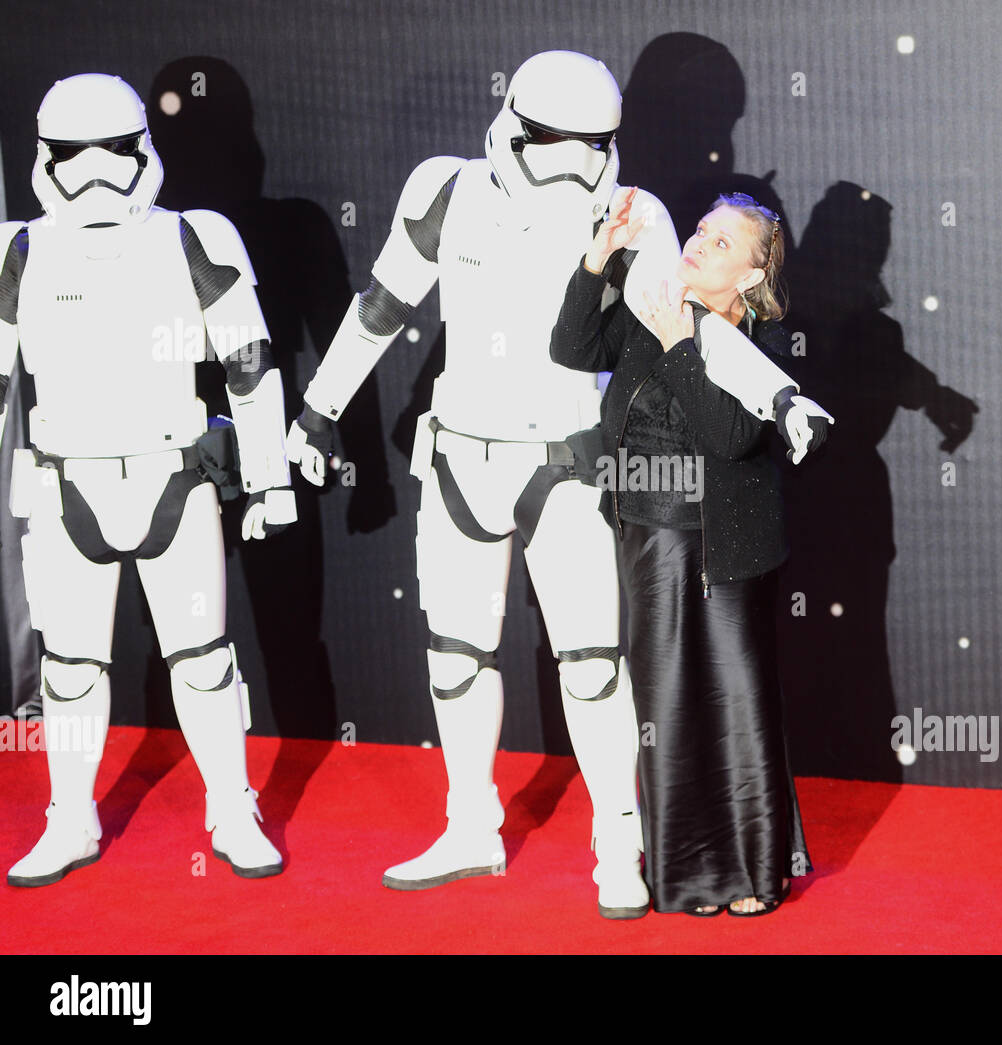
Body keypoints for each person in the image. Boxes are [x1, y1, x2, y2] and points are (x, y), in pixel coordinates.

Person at [285, 51, 829, 917]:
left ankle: (620, 843)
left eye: (592, 143)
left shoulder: (631, 213)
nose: (573, 162)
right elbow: (382, 305)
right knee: (455, 653)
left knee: (591, 663)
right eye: (554, 140)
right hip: (462, 451)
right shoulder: (444, 191)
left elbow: (687, 325)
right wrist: (317, 408)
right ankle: (471, 823)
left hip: (570, 461)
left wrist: (780, 392)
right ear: (512, 122)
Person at [1, 73, 297, 885]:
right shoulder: (20, 247)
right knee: (68, 667)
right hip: (68, 486)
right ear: (45, 157)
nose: (96, 176)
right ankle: (70, 816)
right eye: (74, 157)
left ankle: (232, 807)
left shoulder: (193, 236)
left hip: (173, 477)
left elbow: (250, 364)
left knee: (203, 657)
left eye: (114, 155)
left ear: (143, 151)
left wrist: (269, 478)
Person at [550, 188, 811, 915]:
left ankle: (755, 873)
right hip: (649, 529)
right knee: (667, 702)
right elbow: (569, 347)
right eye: (702, 229)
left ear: (752, 277)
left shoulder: (763, 344)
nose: (699, 243)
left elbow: (729, 438)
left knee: (734, 700)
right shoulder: (649, 305)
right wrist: (597, 262)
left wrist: (680, 347)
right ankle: (694, 875)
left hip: (725, 541)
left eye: (723, 243)